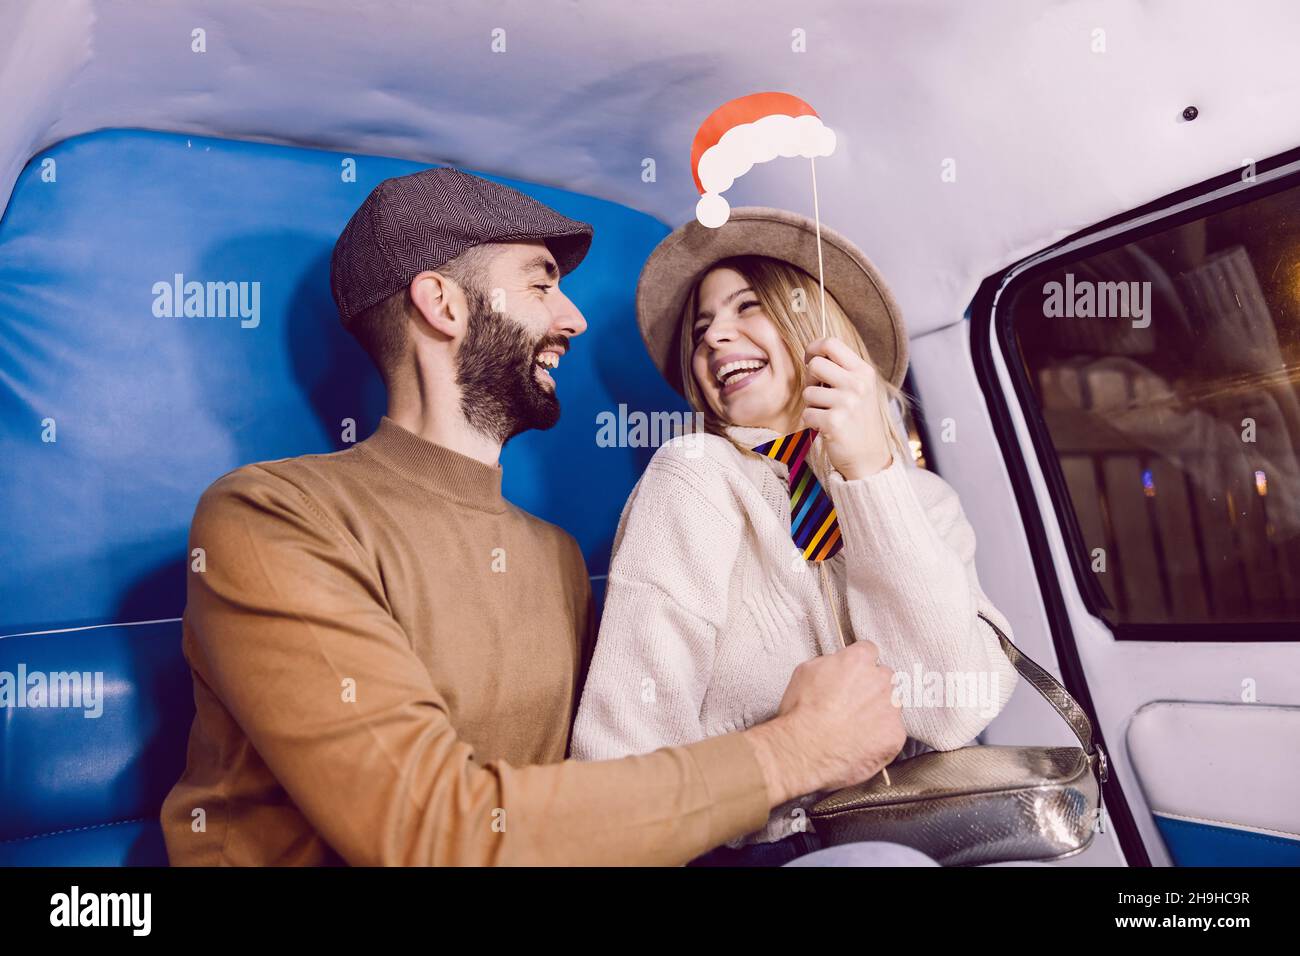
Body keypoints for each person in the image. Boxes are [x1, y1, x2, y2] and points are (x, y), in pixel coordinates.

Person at [160, 168, 917, 866]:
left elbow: (603, 795)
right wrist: (795, 751)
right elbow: (431, 829)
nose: (575, 319)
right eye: (542, 283)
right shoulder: (272, 519)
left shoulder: (553, 557)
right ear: (443, 304)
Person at [571, 208, 1021, 866]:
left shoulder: (926, 502)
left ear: (813, 322)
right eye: (701, 330)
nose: (715, 338)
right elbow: (624, 753)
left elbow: (952, 712)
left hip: (926, 836)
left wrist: (870, 476)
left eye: (746, 306)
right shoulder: (694, 478)